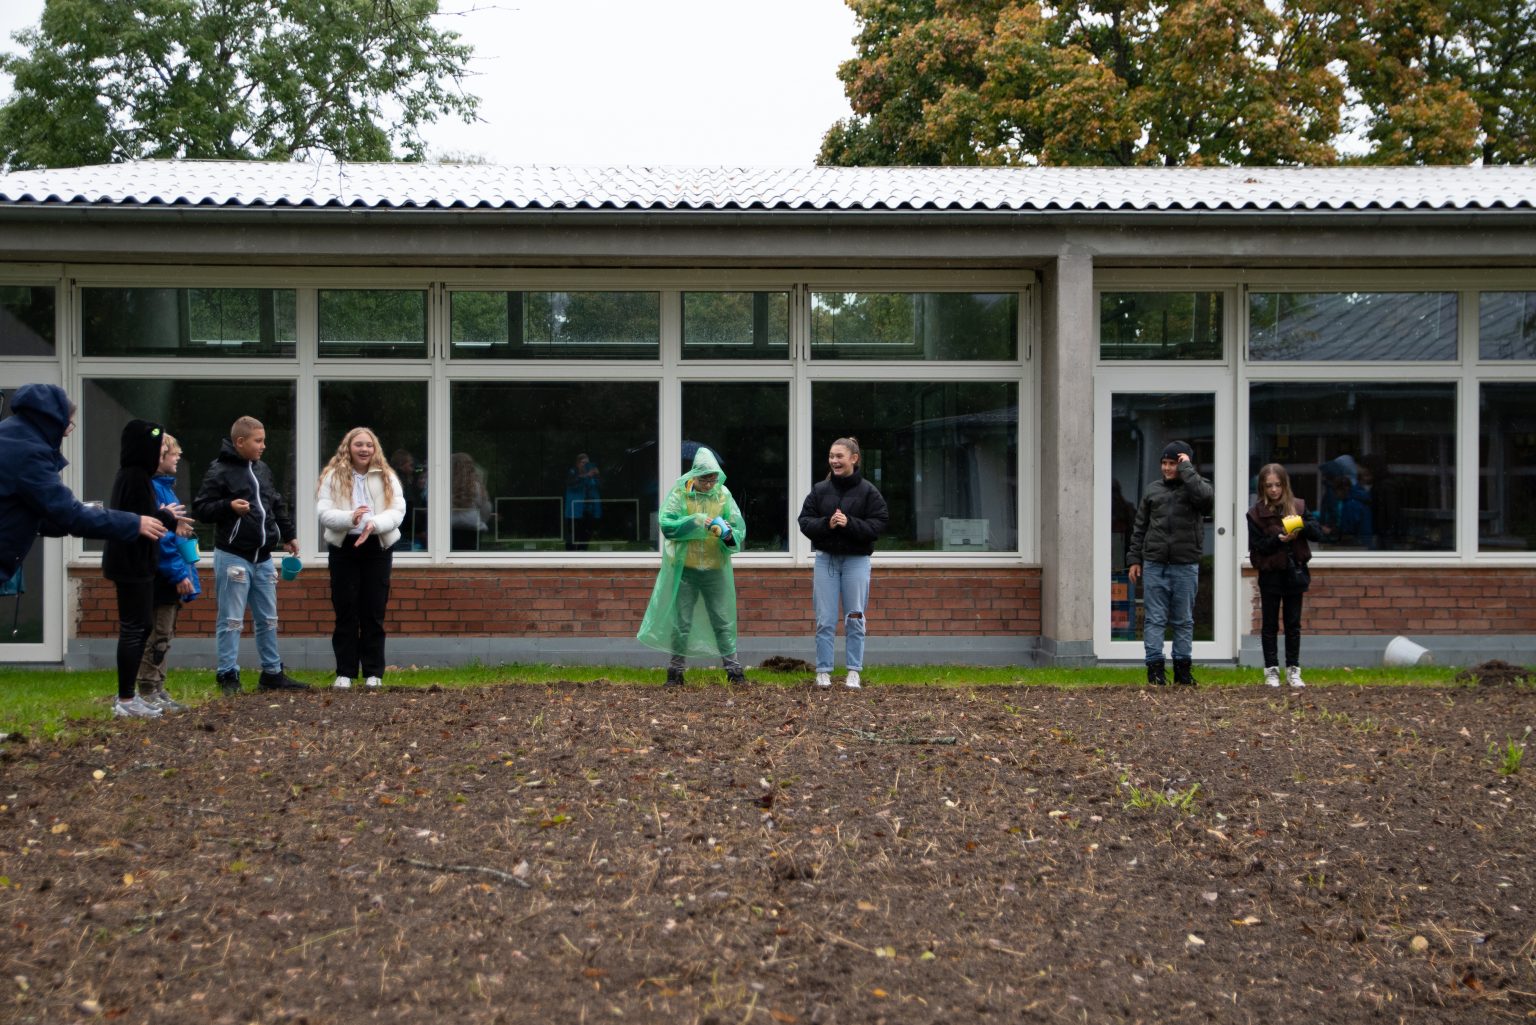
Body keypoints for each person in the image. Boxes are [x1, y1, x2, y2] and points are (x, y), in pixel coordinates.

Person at [0, 384, 167, 594]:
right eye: (69, 425)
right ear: (54, 420)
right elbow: (69, 514)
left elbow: (32, 512)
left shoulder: (11, 436)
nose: (67, 434)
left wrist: (74, 517)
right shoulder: (28, 453)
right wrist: (134, 523)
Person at [192, 415, 307, 695]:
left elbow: (276, 503)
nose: (263, 446)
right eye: (259, 441)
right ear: (240, 442)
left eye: (264, 440)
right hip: (233, 555)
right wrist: (228, 506)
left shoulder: (262, 469)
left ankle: (272, 674)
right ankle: (227, 675)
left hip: (263, 557)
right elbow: (201, 508)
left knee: (268, 619)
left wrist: (289, 534)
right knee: (231, 620)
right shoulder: (219, 470)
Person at [637, 447, 747, 687]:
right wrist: (695, 521)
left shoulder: (723, 495)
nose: (708, 484)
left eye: (712, 479)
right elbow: (667, 525)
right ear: (694, 475)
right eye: (704, 479)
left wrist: (727, 534)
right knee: (682, 622)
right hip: (686, 569)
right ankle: (675, 672)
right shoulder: (680, 494)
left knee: (723, 619)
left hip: (715, 568)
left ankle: (734, 671)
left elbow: (738, 529)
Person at [103, 421, 188, 719]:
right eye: (159, 445)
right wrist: (166, 516)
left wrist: (164, 516)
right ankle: (127, 698)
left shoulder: (137, 477)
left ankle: (130, 696)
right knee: (135, 628)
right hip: (131, 564)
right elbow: (142, 523)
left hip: (138, 563)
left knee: (143, 626)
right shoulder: (135, 478)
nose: (162, 451)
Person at [316, 427, 406, 691]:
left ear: (374, 448)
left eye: (369, 444)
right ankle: (345, 672)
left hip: (377, 547)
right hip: (344, 548)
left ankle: (373, 672)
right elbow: (324, 512)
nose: (364, 449)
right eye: (359, 444)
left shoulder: (387, 476)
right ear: (349, 447)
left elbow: (397, 511)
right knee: (345, 609)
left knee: (373, 610)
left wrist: (373, 524)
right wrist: (350, 518)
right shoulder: (333, 476)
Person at [797, 436, 888, 690]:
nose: (834, 461)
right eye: (831, 456)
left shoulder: (868, 492)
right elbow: (804, 521)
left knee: (855, 618)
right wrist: (827, 523)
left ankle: (853, 671)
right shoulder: (820, 490)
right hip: (826, 560)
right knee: (825, 620)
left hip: (856, 562)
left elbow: (879, 524)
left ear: (854, 459)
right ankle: (823, 671)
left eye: (839, 456)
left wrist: (850, 523)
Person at [1127, 440, 1214, 687]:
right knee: (1154, 619)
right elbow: (1140, 527)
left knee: (1183, 620)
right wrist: (1134, 559)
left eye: (1173, 463)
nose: (1167, 468)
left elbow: (1207, 501)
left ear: (1184, 464)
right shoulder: (1152, 490)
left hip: (1185, 565)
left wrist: (1188, 470)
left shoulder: (1197, 487)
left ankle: (1183, 671)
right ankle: (1155, 670)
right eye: (1164, 463)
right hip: (1155, 564)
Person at [132, 433, 201, 713]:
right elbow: (162, 538)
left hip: (171, 572)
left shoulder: (165, 489)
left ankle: (158, 686)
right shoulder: (153, 490)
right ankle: (147, 688)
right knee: (158, 635)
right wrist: (178, 574)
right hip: (162, 576)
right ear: (159, 456)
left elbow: (173, 531)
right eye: (173, 454)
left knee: (166, 633)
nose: (177, 458)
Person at [1247, 462, 1321, 689]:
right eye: (1269, 485)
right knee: (1269, 624)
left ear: (1284, 485)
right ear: (1262, 487)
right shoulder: (1255, 513)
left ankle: (1293, 670)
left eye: (1277, 485)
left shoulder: (1298, 506)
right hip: (1270, 573)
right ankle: (1271, 670)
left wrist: (1298, 525)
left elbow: (1317, 533)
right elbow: (1257, 546)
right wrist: (1279, 538)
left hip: (1295, 571)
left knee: (1293, 624)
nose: (1274, 490)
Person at [450, 452, 492, 550]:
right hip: (473, 532)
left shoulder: (445, 487)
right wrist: (480, 520)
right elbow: (486, 510)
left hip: (449, 531)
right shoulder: (477, 487)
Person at [564, 452, 602, 550]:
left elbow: (599, 486)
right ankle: (570, 555)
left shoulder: (591, 476)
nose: (585, 465)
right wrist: (587, 475)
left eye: (587, 463)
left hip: (588, 510)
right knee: (572, 534)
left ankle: (582, 552)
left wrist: (597, 475)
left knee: (586, 534)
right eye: (583, 462)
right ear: (578, 463)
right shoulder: (573, 472)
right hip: (574, 511)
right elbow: (572, 484)